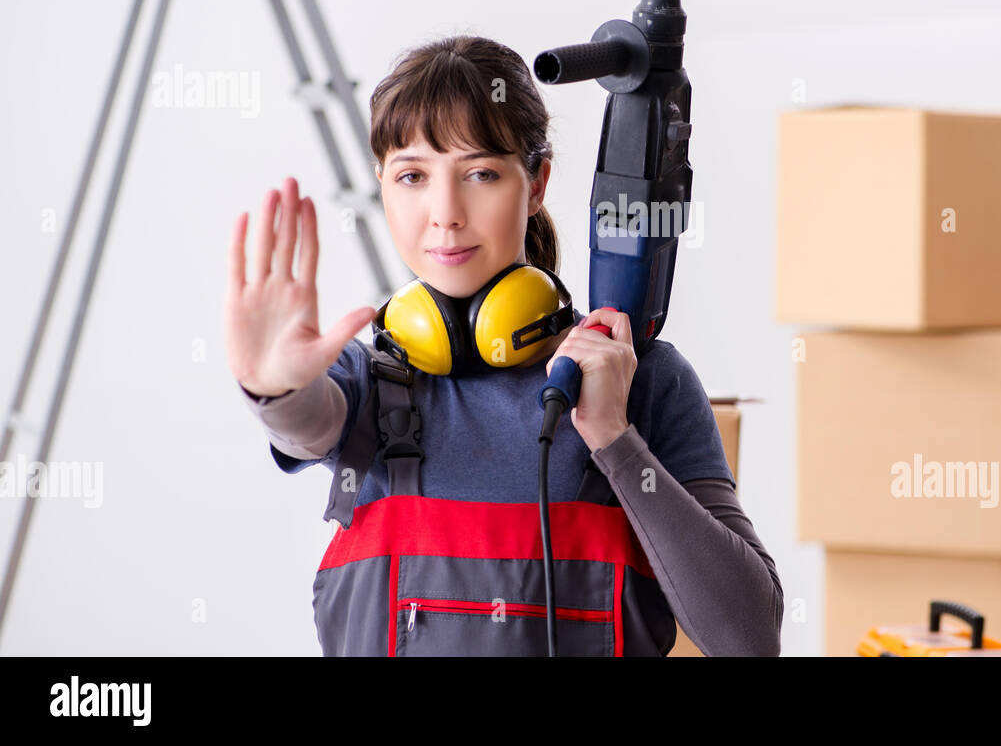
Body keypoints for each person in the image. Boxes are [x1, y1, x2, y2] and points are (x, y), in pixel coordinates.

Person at [225, 35, 781, 656]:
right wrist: (274, 390)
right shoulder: (369, 380)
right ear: (382, 184)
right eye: (412, 175)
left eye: (481, 173)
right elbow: (309, 424)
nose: (445, 213)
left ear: (537, 182)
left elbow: (747, 637)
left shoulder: (639, 380)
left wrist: (616, 443)